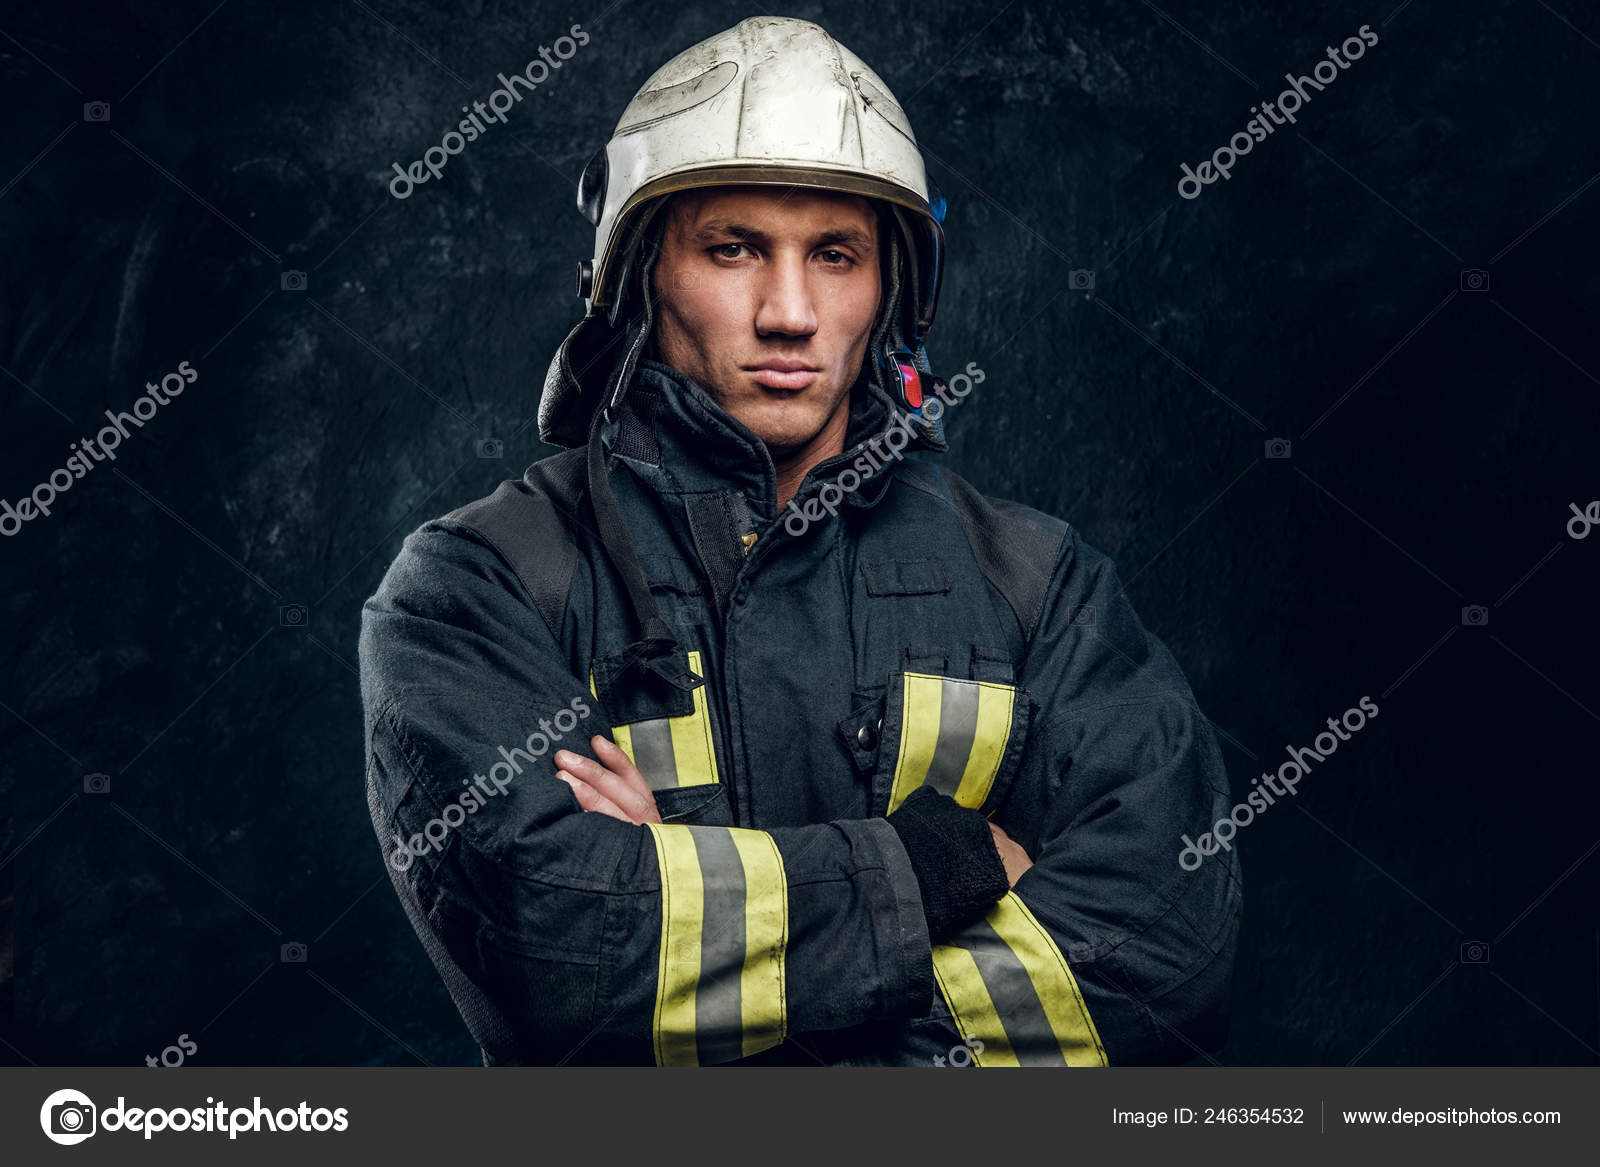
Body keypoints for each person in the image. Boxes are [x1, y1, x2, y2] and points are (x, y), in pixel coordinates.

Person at [359, 15, 1241, 1066]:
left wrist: (689, 907)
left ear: (892, 290)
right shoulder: (479, 589)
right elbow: (561, 957)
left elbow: (1165, 958)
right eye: (731, 249)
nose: (790, 311)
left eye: (836, 255)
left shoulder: (1039, 591)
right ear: (637, 272)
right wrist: (945, 868)